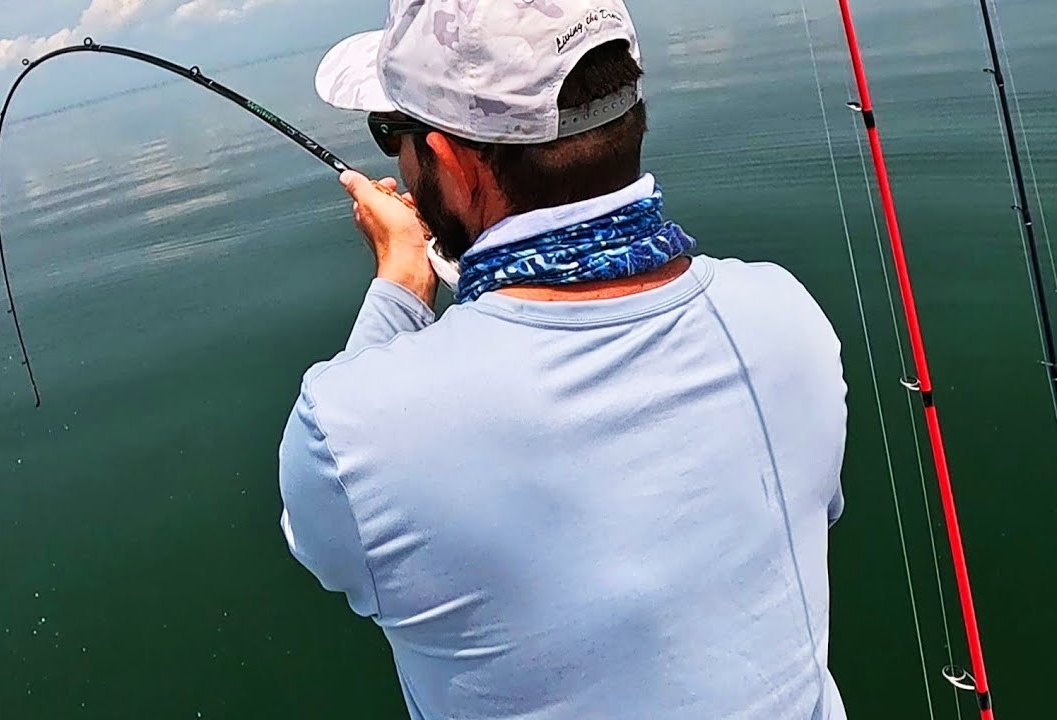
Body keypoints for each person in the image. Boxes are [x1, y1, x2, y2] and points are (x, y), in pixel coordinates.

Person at [277, 2, 849, 718]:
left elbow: (332, 540)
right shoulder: (788, 317)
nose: (395, 156)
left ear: (452, 164)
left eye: (392, 132)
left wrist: (400, 283)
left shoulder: (347, 433)